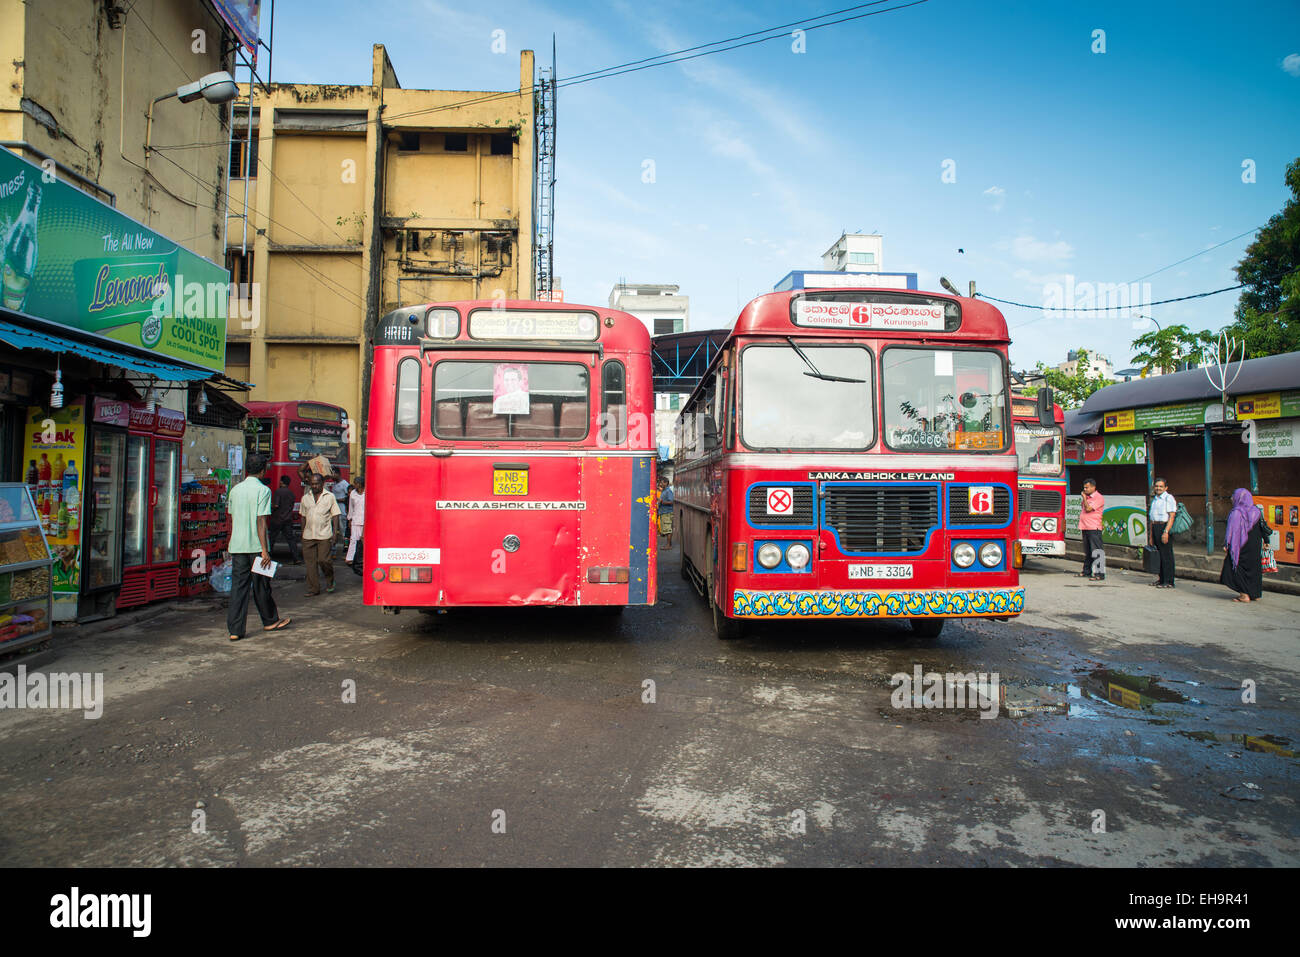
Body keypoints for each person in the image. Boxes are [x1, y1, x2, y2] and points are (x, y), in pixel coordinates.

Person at [225, 454, 290, 641]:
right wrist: (265, 549)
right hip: (256, 546)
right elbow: (261, 520)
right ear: (263, 470)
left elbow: (232, 517)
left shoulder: (235, 490)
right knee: (262, 585)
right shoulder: (263, 490)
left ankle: (235, 630)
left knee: (238, 588)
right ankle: (270, 620)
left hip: (237, 546)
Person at [300, 472, 341, 596]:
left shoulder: (330, 496)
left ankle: (330, 580)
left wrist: (335, 533)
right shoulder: (305, 498)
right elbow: (303, 516)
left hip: (324, 535)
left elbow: (335, 515)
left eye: (317, 484)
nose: (314, 486)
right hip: (308, 536)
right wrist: (302, 533)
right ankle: (314, 588)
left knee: (324, 560)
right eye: (312, 484)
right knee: (310, 564)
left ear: (322, 484)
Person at [1220, 488, 1265, 602]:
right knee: (1254, 568)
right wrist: (1266, 542)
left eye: (1233, 496)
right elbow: (1262, 528)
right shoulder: (1256, 511)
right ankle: (1255, 594)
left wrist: (1228, 544)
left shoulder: (1236, 513)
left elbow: (1232, 532)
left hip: (1241, 546)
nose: (1231, 498)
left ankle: (1244, 595)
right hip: (1255, 546)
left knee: (1235, 567)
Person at [1148, 477, 1177, 588]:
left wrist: (1166, 532)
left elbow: (1172, 516)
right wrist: (1151, 536)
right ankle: (1161, 579)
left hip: (1164, 527)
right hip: (1155, 526)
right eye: (1156, 486)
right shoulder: (1155, 499)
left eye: (1161, 486)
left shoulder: (1168, 498)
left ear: (1166, 488)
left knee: (1166, 556)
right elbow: (1151, 519)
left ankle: (1169, 581)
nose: (1158, 488)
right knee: (1159, 555)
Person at [267, 475, 301, 564]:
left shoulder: (278, 492)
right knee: (291, 540)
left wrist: (270, 506)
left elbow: (276, 505)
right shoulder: (291, 493)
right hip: (288, 519)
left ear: (282, 482)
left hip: (277, 519)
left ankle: (267, 556)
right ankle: (296, 558)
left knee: (271, 539)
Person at [1077, 478, 1105, 580]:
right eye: (1084, 487)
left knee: (1097, 551)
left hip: (1094, 528)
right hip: (1085, 527)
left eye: (1087, 487)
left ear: (1093, 487)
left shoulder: (1098, 497)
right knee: (1088, 551)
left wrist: (1084, 498)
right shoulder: (1088, 497)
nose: (1085, 489)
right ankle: (1086, 571)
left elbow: (1088, 509)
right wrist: (1085, 498)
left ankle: (1100, 574)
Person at [345, 476, 366, 574]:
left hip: (365, 520)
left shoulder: (367, 493)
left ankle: (362, 559)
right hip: (355, 519)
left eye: (356, 483)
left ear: (361, 484)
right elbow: (351, 507)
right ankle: (350, 558)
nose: (354, 485)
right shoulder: (353, 493)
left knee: (363, 541)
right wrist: (350, 519)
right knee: (353, 539)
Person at [657, 478, 675, 549]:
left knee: (668, 530)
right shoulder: (664, 491)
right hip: (663, 512)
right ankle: (668, 544)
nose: (660, 484)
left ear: (666, 483)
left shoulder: (668, 491)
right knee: (666, 529)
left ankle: (668, 545)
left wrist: (662, 502)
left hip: (667, 512)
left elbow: (671, 502)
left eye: (662, 483)